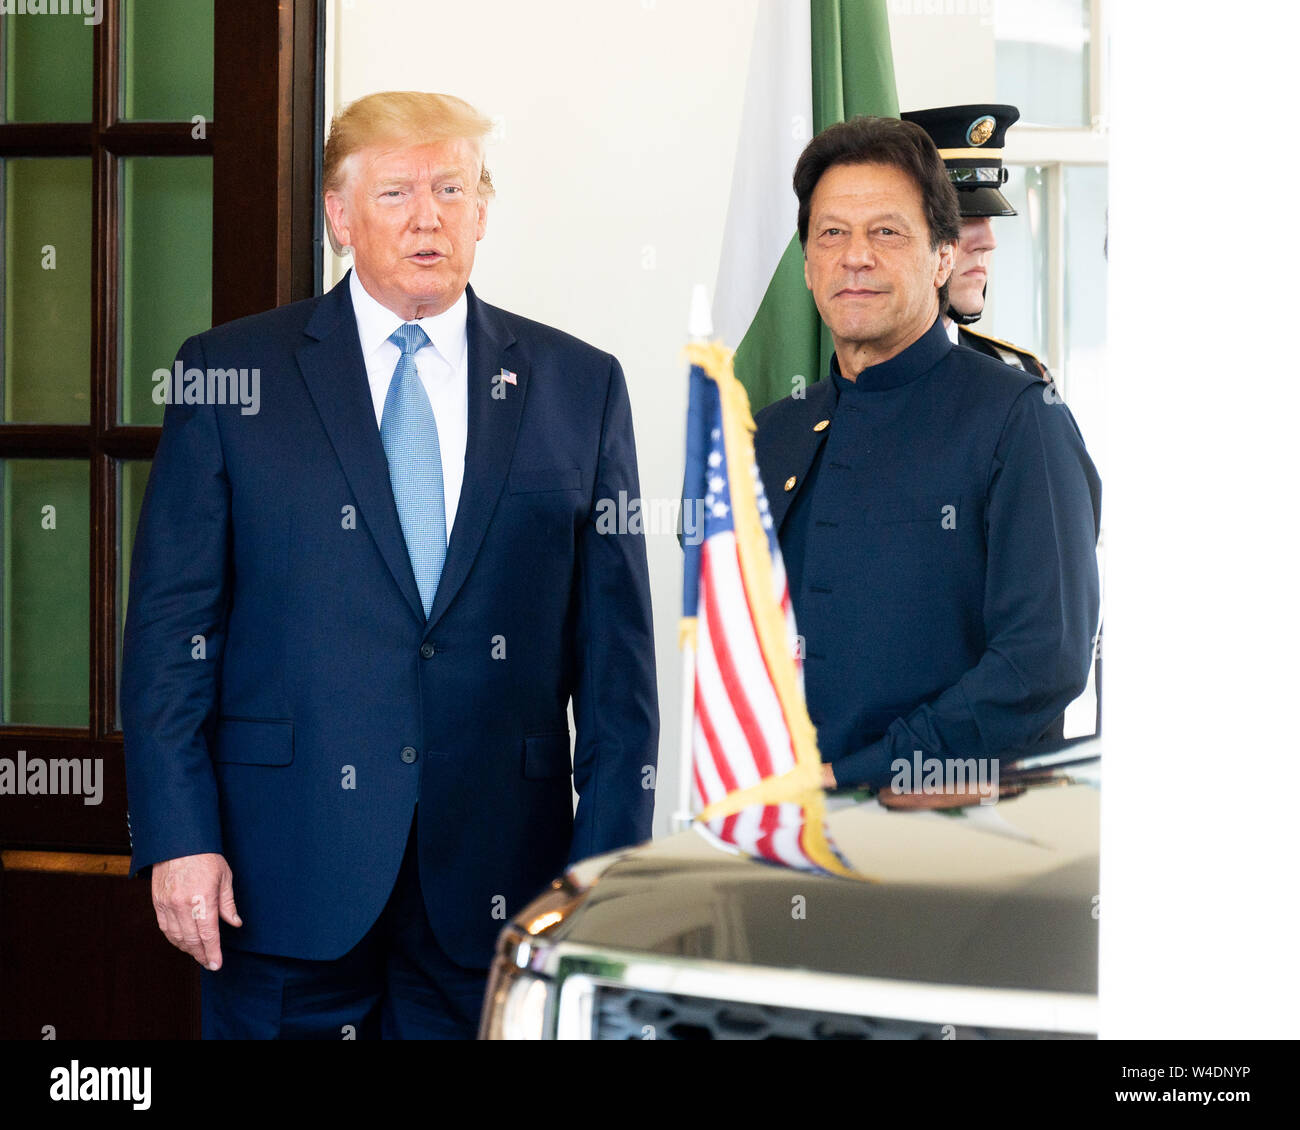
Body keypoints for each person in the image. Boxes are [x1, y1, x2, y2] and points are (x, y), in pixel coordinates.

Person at [121, 91, 658, 1038]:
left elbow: (620, 670)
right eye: (398, 191)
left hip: (504, 898)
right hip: (278, 883)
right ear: (339, 215)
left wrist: (604, 873)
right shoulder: (228, 374)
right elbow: (172, 636)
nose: (428, 217)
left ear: (484, 211)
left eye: (453, 188)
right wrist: (177, 839)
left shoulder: (580, 385)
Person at [752, 115, 1099, 799]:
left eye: (886, 232)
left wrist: (867, 771)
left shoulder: (1018, 419)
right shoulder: (771, 434)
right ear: (807, 263)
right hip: (780, 830)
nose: (855, 256)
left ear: (942, 257)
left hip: (954, 850)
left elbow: (1042, 660)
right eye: (831, 234)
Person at [901, 104, 1049, 378]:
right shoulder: (834, 370)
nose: (989, 241)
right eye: (958, 219)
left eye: (989, 218)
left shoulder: (1022, 374)